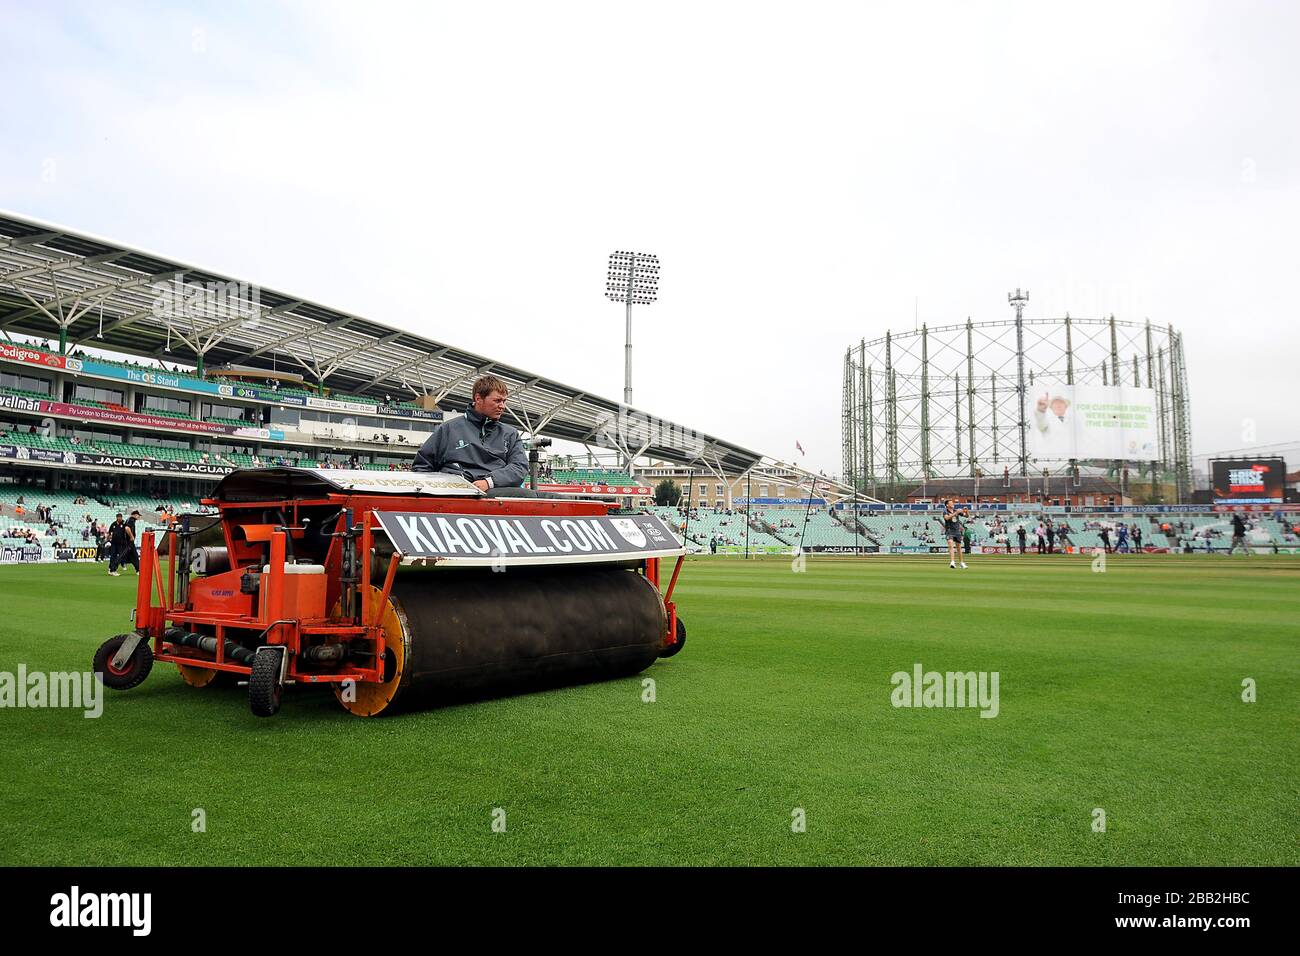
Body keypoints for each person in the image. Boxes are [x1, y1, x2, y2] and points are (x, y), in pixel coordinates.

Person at [412, 375, 527, 491]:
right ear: (478, 399)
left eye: (504, 401)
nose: (502, 406)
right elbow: (422, 465)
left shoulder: (511, 434)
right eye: (497, 401)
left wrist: (489, 482)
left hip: (496, 492)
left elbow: (519, 467)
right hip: (456, 492)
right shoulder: (449, 429)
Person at [938, 498, 968, 570]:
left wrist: (966, 511)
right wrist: (956, 513)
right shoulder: (945, 511)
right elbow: (947, 518)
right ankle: (952, 562)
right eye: (951, 503)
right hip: (949, 531)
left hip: (957, 531)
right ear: (947, 505)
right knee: (951, 545)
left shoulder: (955, 511)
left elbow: (966, 516)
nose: (953, 504)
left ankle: (961, 563)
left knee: (959, 548)